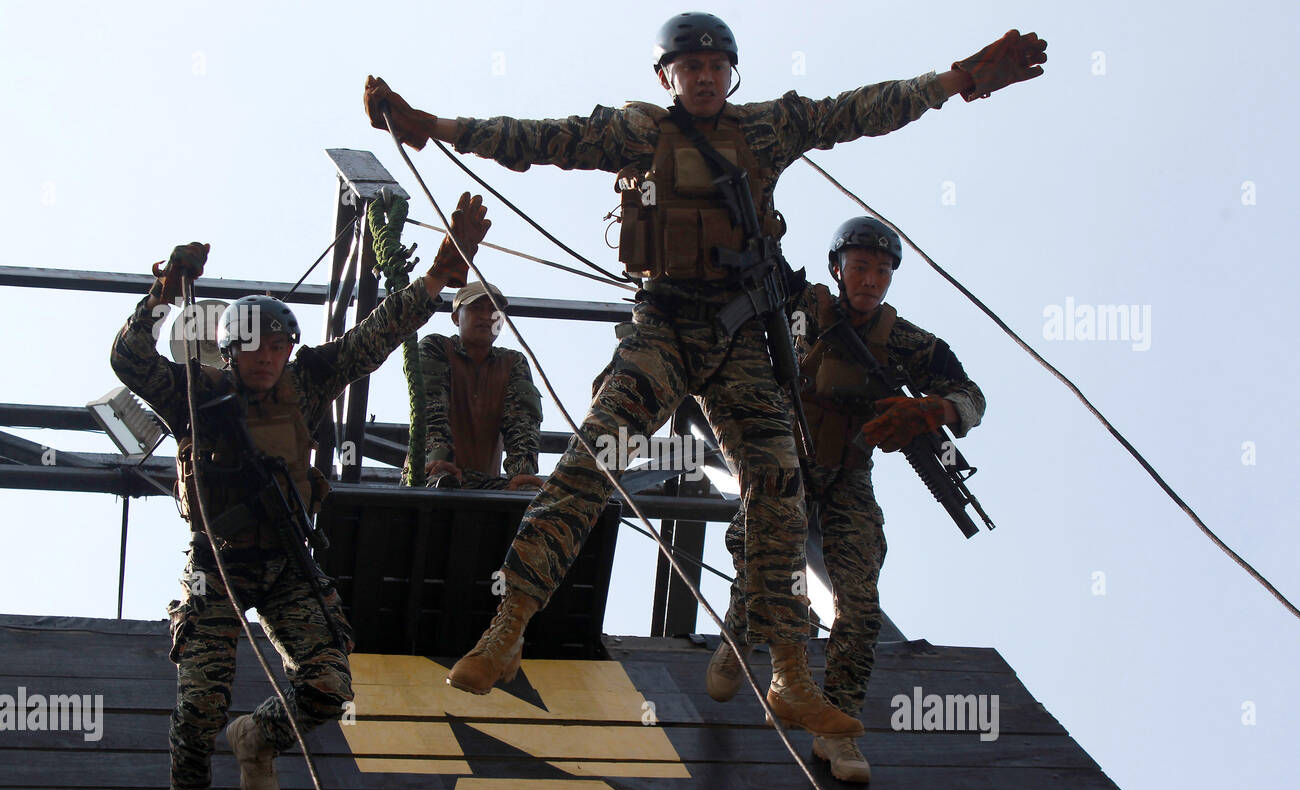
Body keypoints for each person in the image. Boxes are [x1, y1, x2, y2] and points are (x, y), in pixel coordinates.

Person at [362, 13, 1043, 736]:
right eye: (692, 66)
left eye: (718, 65)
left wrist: (957, 81)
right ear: (668, 77)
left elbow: (862, 110)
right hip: (666, 327)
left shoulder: (766, 130)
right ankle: (508, 628)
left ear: (733, 72)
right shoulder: (636, 134)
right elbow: (540, 139)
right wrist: (434, 125)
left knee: (780, 490)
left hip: (744, 334)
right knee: (596, 460)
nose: (707, 76)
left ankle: (788, 673)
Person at [109, 194, 491, 790]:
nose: (268, 356)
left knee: (327, 683)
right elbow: (128, 360)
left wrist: (433, 281)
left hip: (287, 559)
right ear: (231, 347)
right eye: (255, 344)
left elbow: (371, 340)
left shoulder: (307, 382)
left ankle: (258, 737)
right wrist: (162, 294)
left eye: (280, 344)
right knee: (200, 697)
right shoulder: (196, 395)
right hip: (219, 563)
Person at [710, 217, 986, 782]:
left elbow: (971, 396)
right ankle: (740, 628)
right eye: (860, 267)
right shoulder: (802, 306)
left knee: (860, 604)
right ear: (838, 269)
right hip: (785, 455)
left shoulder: (902, 339)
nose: (870, 280)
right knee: (763, 553)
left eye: (882, 271)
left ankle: (838, 730)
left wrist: (934, 410)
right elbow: (749, 284)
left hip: (847, 473)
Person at [416, 281, 545, 490]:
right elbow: (431, 411)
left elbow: (522, 423)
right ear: (456, 317)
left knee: (533, 498)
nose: (487, 316)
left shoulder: (512, 362)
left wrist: (522, 475)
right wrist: (440, 460)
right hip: (430, 474)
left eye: (494, 310)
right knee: (441, 484)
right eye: (476, 308)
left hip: (484, 485)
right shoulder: (436, 348)